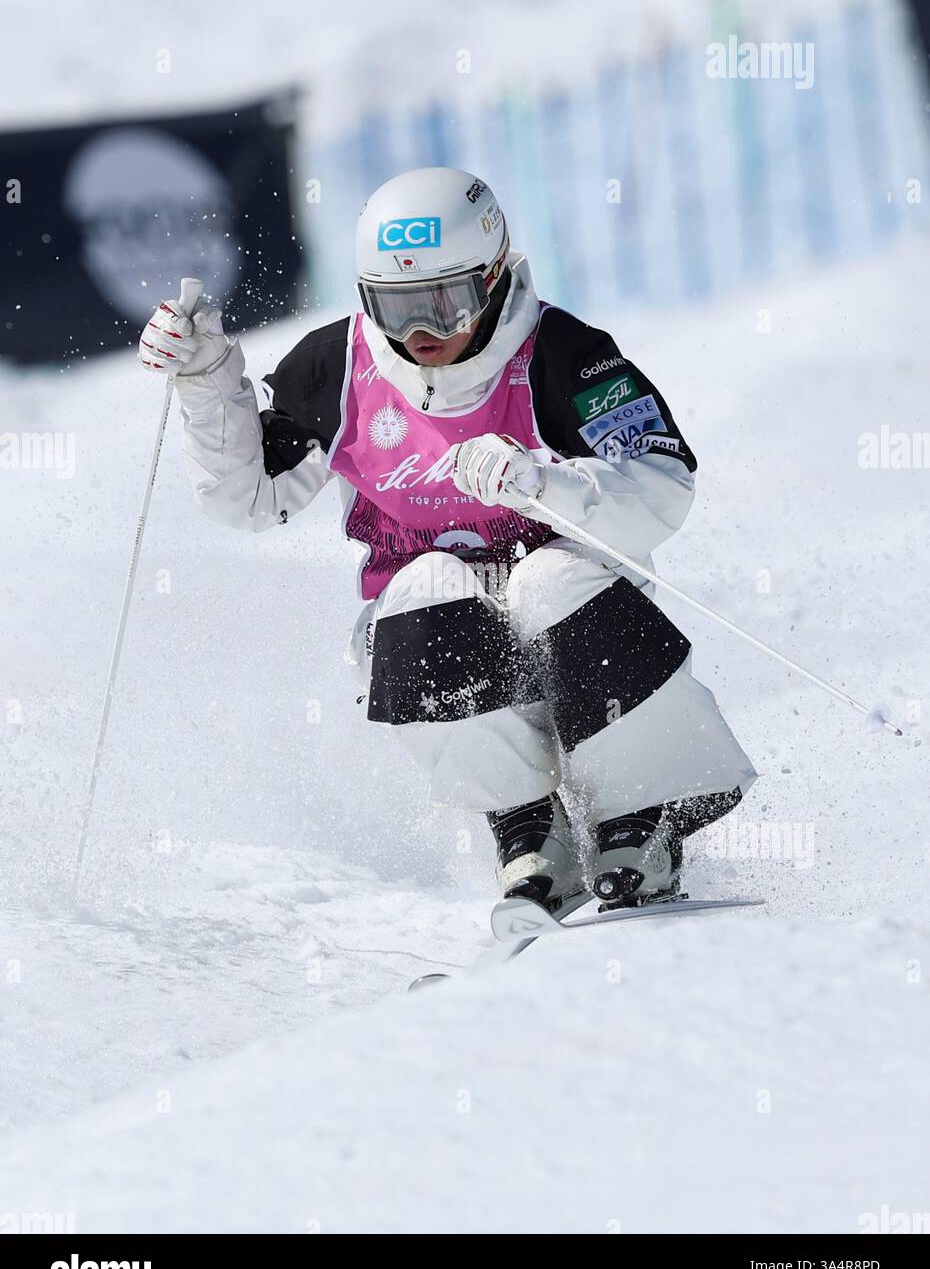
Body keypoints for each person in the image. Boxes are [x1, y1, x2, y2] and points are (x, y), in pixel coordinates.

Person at [139, 166, 756, 914]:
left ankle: (643, 814)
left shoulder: (563, 356)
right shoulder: (337, 366)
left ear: (494, 280)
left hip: (572, 596)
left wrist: (540, 482)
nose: (421, 334)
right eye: (395, 310)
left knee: (545, 582)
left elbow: (664, 484)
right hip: (426, 621)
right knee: (424, 586)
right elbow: (248, 500)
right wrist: (209, 389)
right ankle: (527, 826)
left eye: (446, 303)